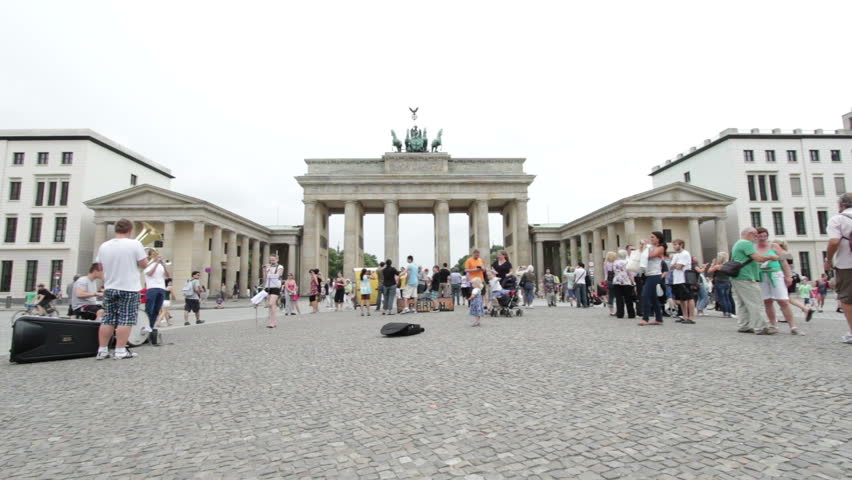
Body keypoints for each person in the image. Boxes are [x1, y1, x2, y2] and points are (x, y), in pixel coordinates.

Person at [94, 219, 149, 360]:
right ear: (130, 230)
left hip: (110, 286)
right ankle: (120, 350)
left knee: (108, 318)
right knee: (126, 319)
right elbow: (144, 264)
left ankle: (102, 350)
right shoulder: (135, 244)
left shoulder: (104, 245)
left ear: (115, 230)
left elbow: (99, 267)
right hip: (129, 287)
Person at [730, 227, 780, 335]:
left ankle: (744, 325)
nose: (757, 237)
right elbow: (759, 258)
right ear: (750, 234)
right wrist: (771, 256)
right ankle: (761, 327)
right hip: (746, 276)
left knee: (742, 303)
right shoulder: (746, 244)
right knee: (755, 302)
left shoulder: (738, 243)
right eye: (756, 235)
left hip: (738, 277)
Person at [755, 228, 805, 334]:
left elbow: (784, 260)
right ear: (756, 237)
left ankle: (793, 327)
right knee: (767, 301)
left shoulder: (774, 246)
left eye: (764, 236)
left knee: (783, 300)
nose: (762, 238)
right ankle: (773, 325)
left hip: (775, 274)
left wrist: (788, 276)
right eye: (760, 236)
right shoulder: (753, 248)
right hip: (762, 275)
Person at [824, 193, 852, 343]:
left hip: (847, 264)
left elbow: (834, 241)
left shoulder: (838, 219)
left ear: (841, 205)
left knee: (847, 298)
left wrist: (828, 259)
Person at [639, 232, 666, 326]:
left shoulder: (660, 248)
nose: (651, 238)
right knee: (653, 297)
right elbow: (641, 255)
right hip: (649, 274)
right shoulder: (649, 247)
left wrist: (647, 247)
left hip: (655, 274)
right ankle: (659, 318)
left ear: (658, 239)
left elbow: (650, 256)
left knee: (645, 295)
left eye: (653, 237)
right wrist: (643, 247)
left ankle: (645, 318)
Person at [142, 248, 170, 336]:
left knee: (156, 309)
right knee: (149, 308)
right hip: (152, 288)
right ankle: (146, 325)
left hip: (161, 288)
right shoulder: (147, 265)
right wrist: (156, 263)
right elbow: (150, 273)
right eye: (154, 254)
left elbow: (168, 275)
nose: (156, 256)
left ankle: (151, 326)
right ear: (150, 256)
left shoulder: (161, 265)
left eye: (156, 254)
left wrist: (163, 264)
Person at [669, 239, 696, 325]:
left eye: (676, 244)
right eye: (673, 245)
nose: (674, 246)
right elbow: (671, 266)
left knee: (689, 297)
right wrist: (675, 265)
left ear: (681, 245)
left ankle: (691, 317)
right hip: (677, 279)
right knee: (681, 299)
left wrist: (675, 265)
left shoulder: (685, 253)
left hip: (684, 278)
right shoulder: (676, 255)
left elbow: (680, 266)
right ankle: (685, 316)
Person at [708, 253, 735, 318]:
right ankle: (730, 312)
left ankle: (725, 312)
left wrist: (712, 264)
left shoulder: (718, 266)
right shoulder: (728, 266)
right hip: (727, 282)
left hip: (720, 282)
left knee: (722, 298)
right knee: (727, 298)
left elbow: (709, 271)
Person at [612, 250, 635, 319]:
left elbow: (614, 271)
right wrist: (633, 281)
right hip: (626, 281)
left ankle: (620, 313)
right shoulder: (628, 262)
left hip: (617, 280)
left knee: (619, 299)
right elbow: (630, 273)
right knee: (628, 298)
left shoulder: (615, 262)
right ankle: (631, 314)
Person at [262, 254, 284, 327]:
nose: (272, 262)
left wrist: (269, 269)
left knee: (271, 303)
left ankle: (272, 321)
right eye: (271, 260)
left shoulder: (280, 267)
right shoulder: (269, 267)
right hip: (268, 287)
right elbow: (265, 278)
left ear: (277, 259)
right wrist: (265, 270)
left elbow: (277, 276)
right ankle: (273, 322)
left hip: (276, 286)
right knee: (271, 305)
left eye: (273, 260)